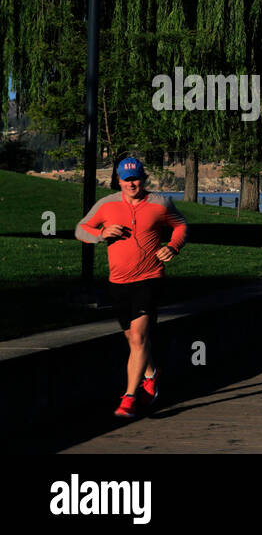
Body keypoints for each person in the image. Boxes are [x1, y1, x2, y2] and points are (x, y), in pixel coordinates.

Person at [76, 157, 188, 418]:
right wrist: (100, 235)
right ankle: (151, 373)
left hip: (149, 277)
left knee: (138, 338)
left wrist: (173, 247)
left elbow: (181, 225)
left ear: (144, 178)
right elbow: (81, 228)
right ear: (118, 180)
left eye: (136, 178)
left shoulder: (160, 204)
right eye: (126, 179)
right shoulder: (107, 205)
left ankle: (129, 398)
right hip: (118, 282)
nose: (131, 184)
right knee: (132, 338)